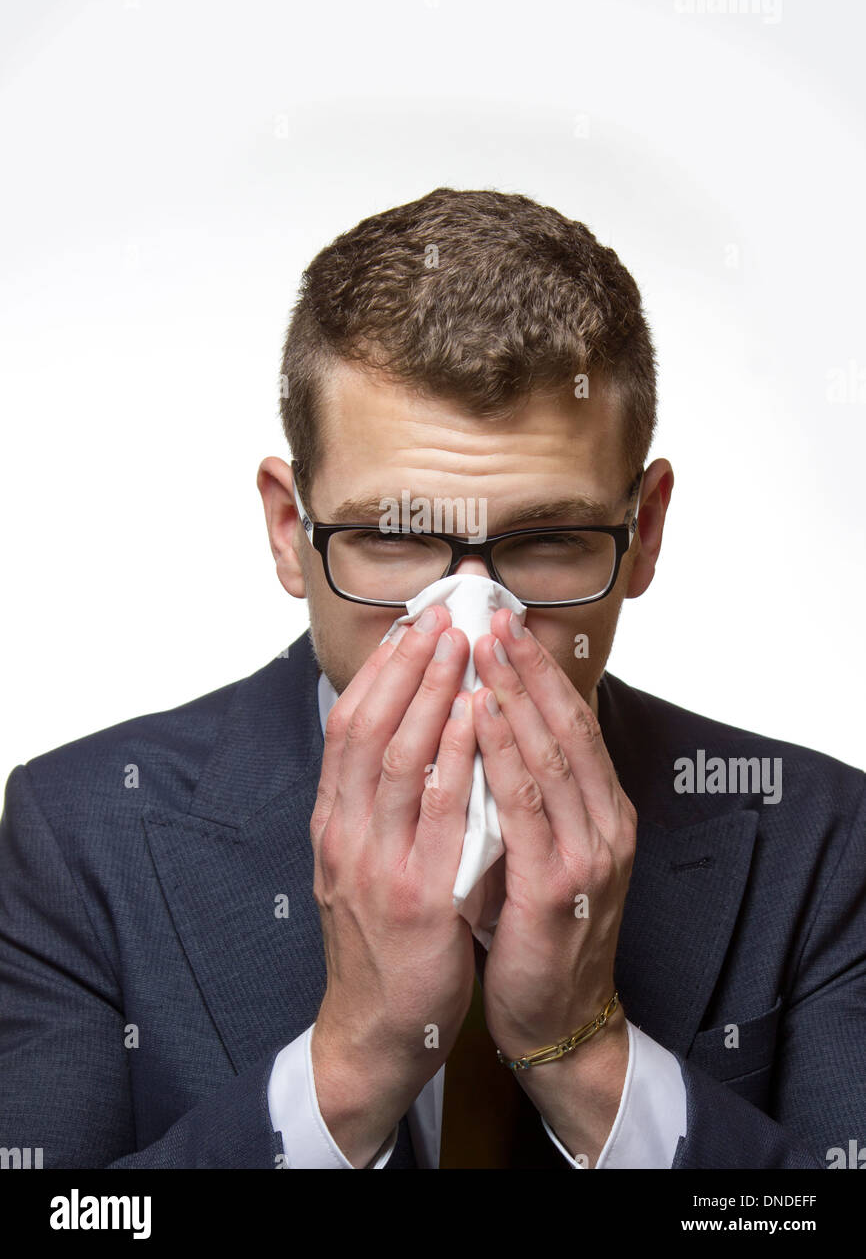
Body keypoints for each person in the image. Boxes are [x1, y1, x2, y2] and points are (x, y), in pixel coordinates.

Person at [0, 187, 863, 1170]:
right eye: (392, 538)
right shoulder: (81, 834)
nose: (469, 617)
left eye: (547, 539)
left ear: (644, 532)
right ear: (291, 530)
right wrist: (349, 1067)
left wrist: (588, 1057)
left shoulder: (816, 840)